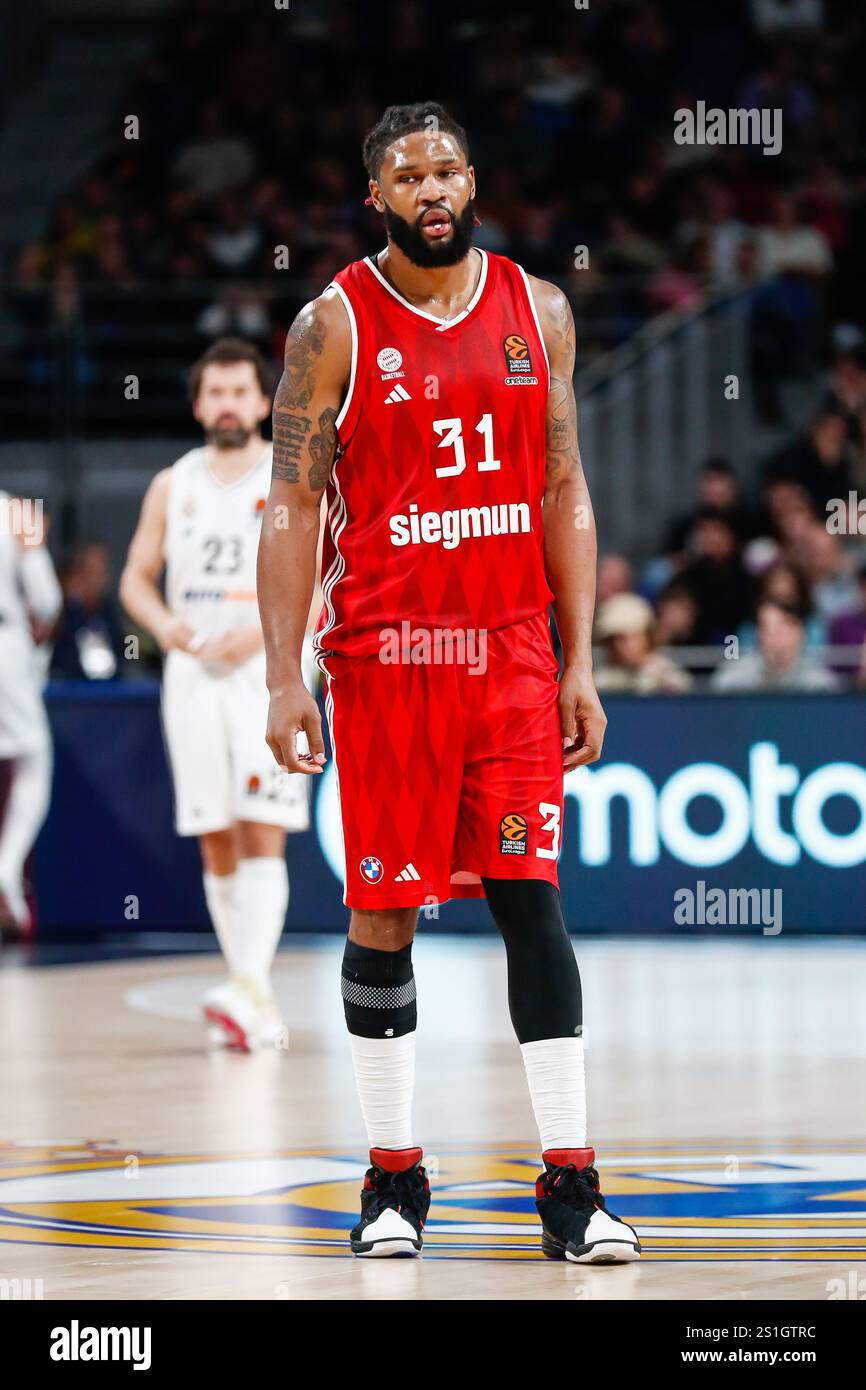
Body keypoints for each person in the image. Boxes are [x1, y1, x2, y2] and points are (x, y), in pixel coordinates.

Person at [257, 103, 640, 1264]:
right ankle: (391, 1179)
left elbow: (561, 488)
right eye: (404, 175)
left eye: (445, 170)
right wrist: (284, 675)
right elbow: (286, 506)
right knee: (383, 914)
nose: (429, 189)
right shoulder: (332, 325)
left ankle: (570, 1185)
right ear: (374, 195)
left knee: (533, 898)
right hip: (386, 659)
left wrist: (575, 658)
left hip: (512, 656)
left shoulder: (541, 311)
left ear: (472, 182)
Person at [120, 338, 318, 1051]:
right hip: (194, 672)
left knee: (263, 821)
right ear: (200, 403)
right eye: (217, 392)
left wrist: (271, 641)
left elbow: (326, 577)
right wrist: (168, 625)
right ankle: (248, 988)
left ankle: (250, 987)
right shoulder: (175, 482)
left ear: (264, 401)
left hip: (270, 674)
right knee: (215, 830)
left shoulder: (291, 473)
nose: (229, 403)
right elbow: (134, 579)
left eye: (242, 391)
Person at [0, 495, 62, 933]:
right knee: (34, 758)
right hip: (5, 645)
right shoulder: (15, 512)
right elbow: (45, 600)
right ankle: (7, 864)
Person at [711, 598, 839, 692]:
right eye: (771, 630)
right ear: (758, 635)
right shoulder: (733, 678)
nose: (779, 640)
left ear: (801, 635)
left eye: (786, 630)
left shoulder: (820, 684)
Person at [594, 593, 692, 693]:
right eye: (615, 638)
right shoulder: (598, 676)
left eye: (632, 636)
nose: (621, 645)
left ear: (646, 636)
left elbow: (680, 690)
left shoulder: (668, 674)